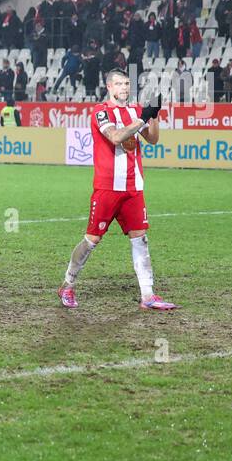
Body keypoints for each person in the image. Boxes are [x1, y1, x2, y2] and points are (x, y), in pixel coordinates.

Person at [58, 69, 174, 311]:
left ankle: (148, 295)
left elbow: (152, 139)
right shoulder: (101, 112)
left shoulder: (134, 110)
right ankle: (67, 285)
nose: (124, 87)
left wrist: (155, 116)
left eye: (127, 83)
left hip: (134, 186)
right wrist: (144, 118)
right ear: (109, 87)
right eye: (119, 83)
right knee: (92, 240)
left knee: (140, 238)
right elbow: (116, 136)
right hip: (107, 188)